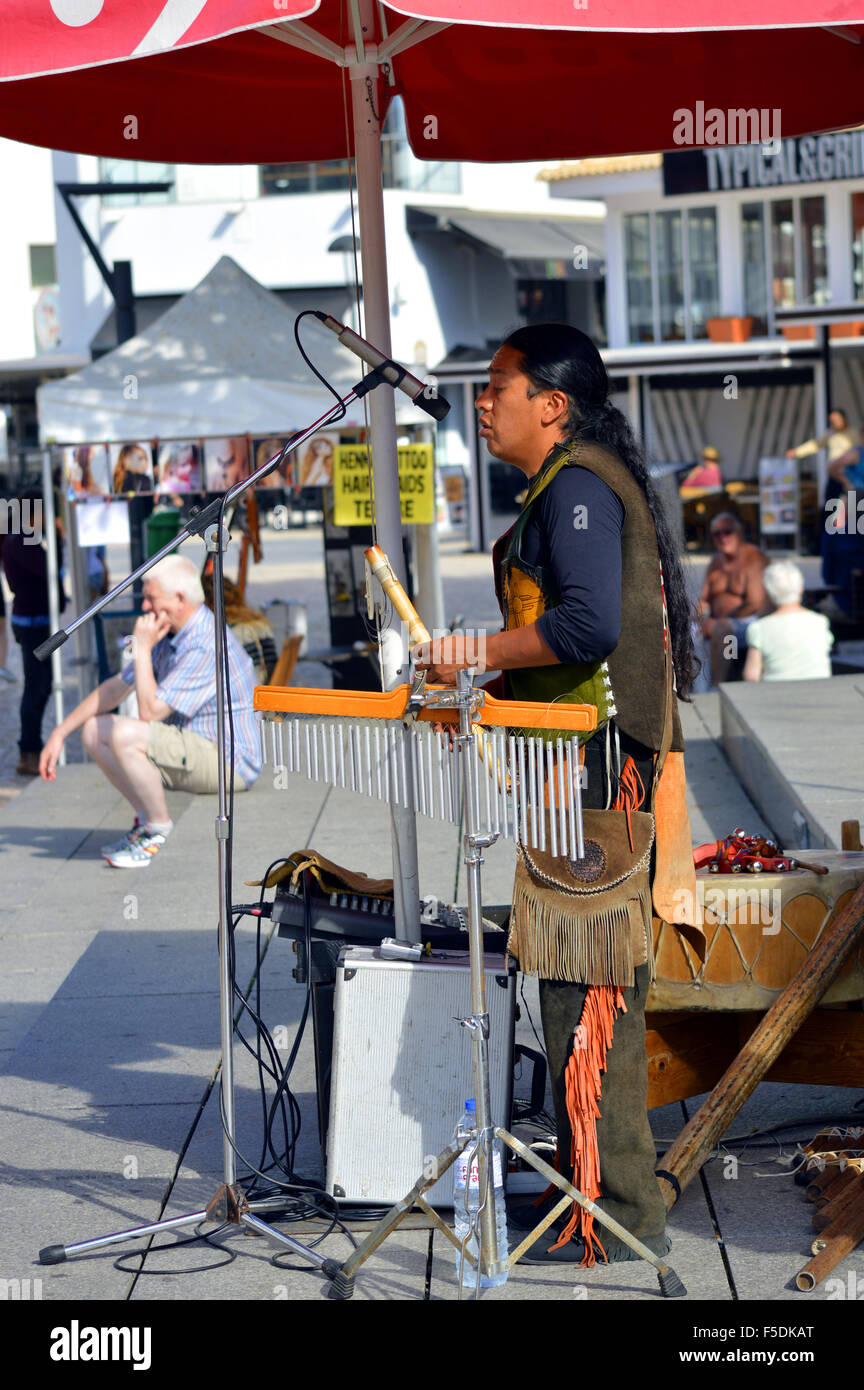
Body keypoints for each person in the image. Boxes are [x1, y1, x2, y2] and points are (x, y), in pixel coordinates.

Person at [413, 322, 698, 1267]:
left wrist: (477, 652)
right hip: (579, 762)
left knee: (594, 992)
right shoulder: (568, 480)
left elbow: (580, 628)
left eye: (499, 387)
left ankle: (616, 1214)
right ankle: (591, 1186)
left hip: (600, 772)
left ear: (554, 404)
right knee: (576, 984)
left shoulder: (578, 485)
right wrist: (484, 686)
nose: (482, 403)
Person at [39, 554, 263, 867]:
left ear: (180, 599)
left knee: (126, 734)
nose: (145, 608)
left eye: (151, 598)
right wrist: (61, 733)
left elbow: (149, 713)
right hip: (196, 746)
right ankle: (145, 824)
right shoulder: (171, 633)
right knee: (94, 730)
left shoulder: (204, 643)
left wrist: (141, 650)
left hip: (229, 762)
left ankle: (158, 830)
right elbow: (116, 687)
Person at [2, 486, 66, 775]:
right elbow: (48, 569)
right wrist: (59, 539)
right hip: (31, 622)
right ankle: (28, 749)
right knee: (36, 686)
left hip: (37, 619)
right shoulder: (20, 540)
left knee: (43, 683)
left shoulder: (24, 537)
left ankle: (32, 745)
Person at [696, 513, 770, 686]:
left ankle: (718, 686)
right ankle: (695, 688)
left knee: (722, 630)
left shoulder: (754, 559)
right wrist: (701, 619)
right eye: (717, 534)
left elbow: (755, 603)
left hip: (748, 621)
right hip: (718, 620)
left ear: (739, 532)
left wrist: (720, 620)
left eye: (727, 532)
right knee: (686, 630)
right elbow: (704, 600)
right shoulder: (715, 562)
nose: (722, 537)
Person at [743, 561, 833, 681]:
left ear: (769, 594)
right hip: (820, 693)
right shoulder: (821, 622)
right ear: (800, 589)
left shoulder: (759, 628)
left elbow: (751, 676)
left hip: (776, 696)